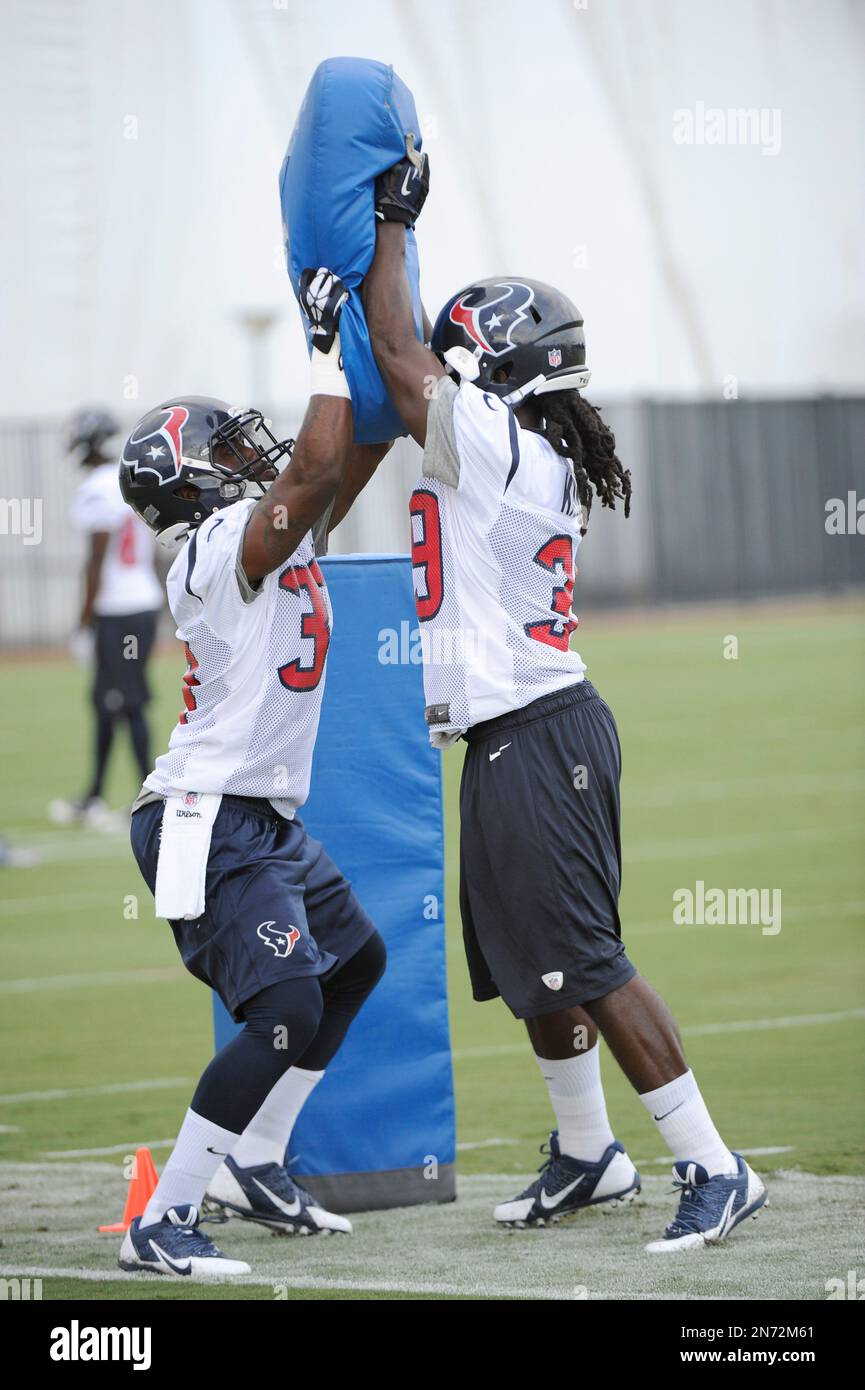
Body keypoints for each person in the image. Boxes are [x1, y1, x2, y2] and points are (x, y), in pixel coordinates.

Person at [364, 153, 767, 1252]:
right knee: (532, 965)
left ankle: (713, 1165)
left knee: (585, 960)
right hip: (511, 736)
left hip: (542, 735)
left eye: (464, 351)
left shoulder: (502, 444)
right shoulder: (515, 445)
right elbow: (406, 366)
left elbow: (402, 363)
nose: (447, 365)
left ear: (502, 359)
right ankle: (589, 1151)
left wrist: (386, 232)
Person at [117, 270, 389, 1278]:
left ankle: (257, 1159)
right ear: (188, 479)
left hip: (258, 812)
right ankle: (165, 1217)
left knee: (353, 966)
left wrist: (373, 355)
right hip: (208, 814)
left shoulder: (256, 535)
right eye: (224, 450)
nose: (248, 458)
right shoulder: (218, 544)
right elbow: (315, 471)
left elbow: (340, 462)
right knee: (285, 1012)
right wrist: (320, 345)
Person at [50, 408, 162, 829]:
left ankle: (147, 799)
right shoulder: (125, 479)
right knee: (104, 703)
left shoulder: (96, 489)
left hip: (121, 611)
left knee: (128, 702)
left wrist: (83, 621)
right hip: (138, 603)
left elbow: (96, 560)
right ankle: (95, 794)